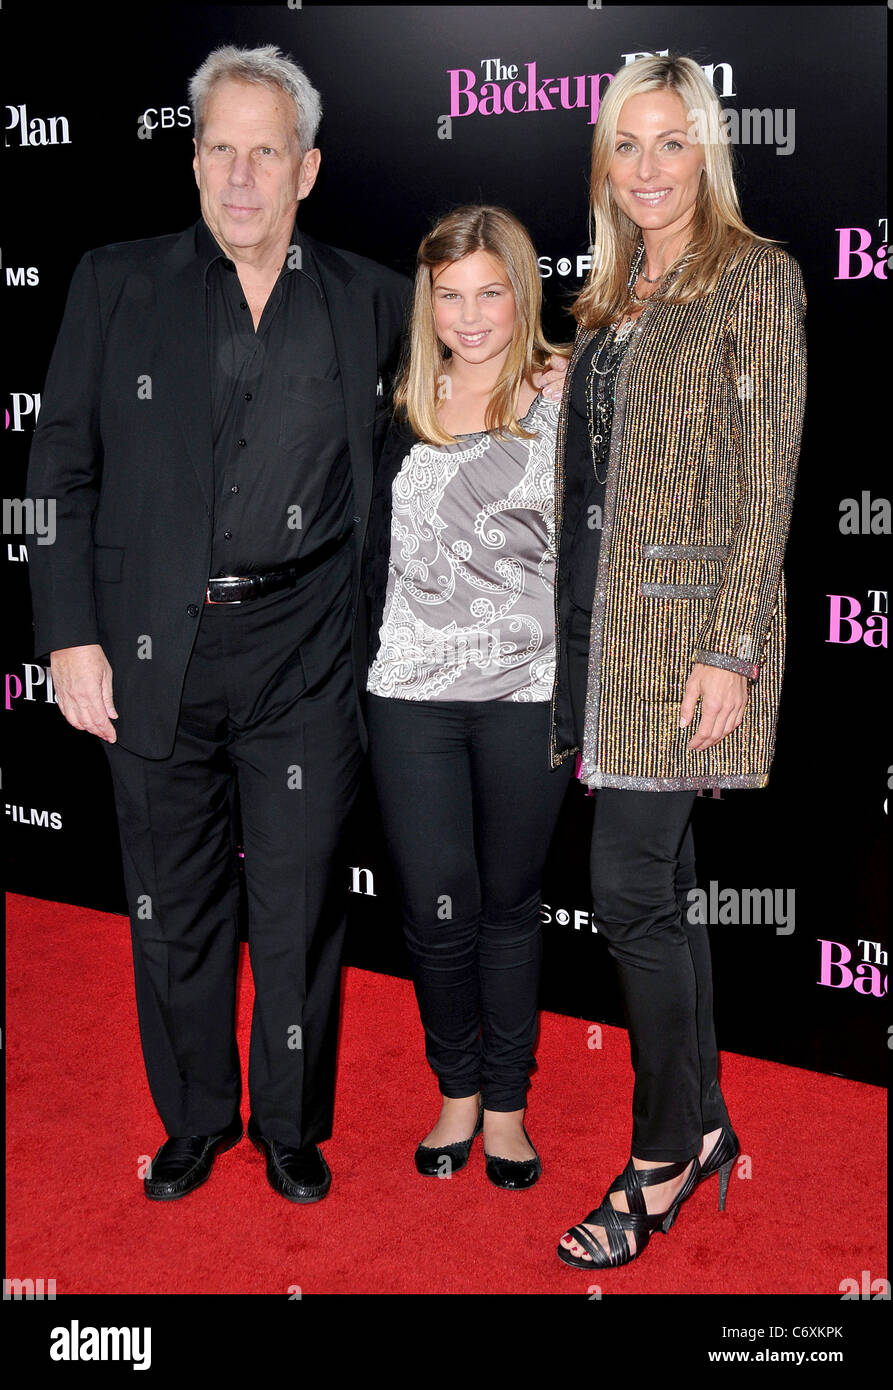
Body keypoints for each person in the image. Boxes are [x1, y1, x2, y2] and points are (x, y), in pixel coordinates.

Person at [25, 44, 412, 1205]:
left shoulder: (372, 300)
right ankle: (196, 1119)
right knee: (173, 905)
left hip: (304, 655)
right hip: (149, 656)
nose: (240, 176)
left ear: (307, 171)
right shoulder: (114, 281)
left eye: (266, 153)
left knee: (295, 908)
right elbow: (59, 468)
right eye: (220, 149)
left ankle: (290, 1127)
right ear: (193, 159)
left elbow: (466, 408)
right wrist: (67, 635)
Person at [550, 55, 807, 1267]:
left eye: (671, 141)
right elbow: (618, 452)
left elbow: (765, 480)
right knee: (662, 888)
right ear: (604, 161)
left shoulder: (753, 279)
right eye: (626, 145)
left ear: (707, 148)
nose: (647, 168)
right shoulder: (616, 290)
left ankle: (658, 1157)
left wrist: (729, 648)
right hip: (606, 643)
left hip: (684, 642)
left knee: (629, 894)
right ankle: (701, 1120)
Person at [363, 206, 574, 1189]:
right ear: (428, 299)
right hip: (408, 694)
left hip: (525, 693)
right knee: (437, 907)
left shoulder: (562, 392)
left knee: (506, 905)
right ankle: (453, 1088)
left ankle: (504, 1105)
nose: (471, 314)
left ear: (520, 291)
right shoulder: (399, 395)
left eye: (490, 291)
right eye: (450, 294)